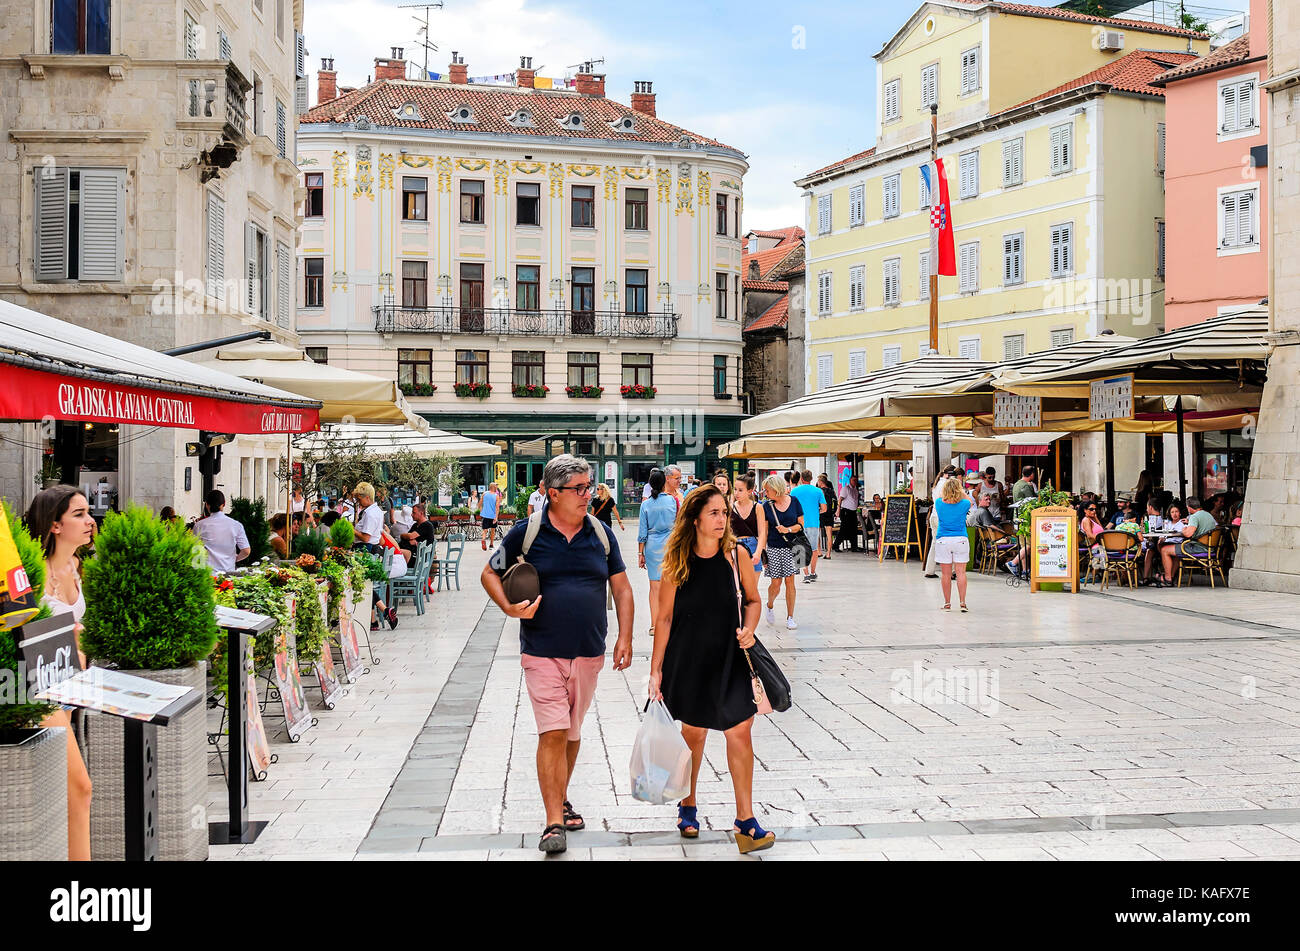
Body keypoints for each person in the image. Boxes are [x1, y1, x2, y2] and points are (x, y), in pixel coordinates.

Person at [481, 455, 633, 854]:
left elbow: (622, 588)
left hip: (588, 651)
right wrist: (507, 607)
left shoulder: (600, 533)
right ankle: (553, 822)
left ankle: (560, 799)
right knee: (551, 731)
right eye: (579, 489)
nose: (589, 495)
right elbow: (489, 572)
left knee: (571, 732)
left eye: (590, 486)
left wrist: (626, 638)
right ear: (553, 493)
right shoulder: (526, 533)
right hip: (541, 650)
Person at [647, 485, 773, 854]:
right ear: (696, 518)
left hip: (731, 657)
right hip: (688, 659)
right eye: (715, 513)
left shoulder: (736, 555)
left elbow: (752, 600)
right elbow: (665, 619)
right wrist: (656, 669)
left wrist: (750, 628)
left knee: (740, 730)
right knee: (694, 735)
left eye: (725, 511)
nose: (723, 519)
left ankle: (745, 821)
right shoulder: (678, 559)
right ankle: (688, 804)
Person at [24, 485, 96, 861]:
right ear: (54, 524)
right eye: (79, 514)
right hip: (41, 691)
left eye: (88, 512)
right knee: (80, 787)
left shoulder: (75, 566)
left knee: (65, 790)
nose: (90, 521)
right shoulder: (33, 573)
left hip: (72, 688)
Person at [638, 468, 679, 641]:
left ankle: (654, 624)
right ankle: (671, 620)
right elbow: (679, 524)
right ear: (664, 484)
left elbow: (642, 531)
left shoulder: (645, 504)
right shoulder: (672, 501)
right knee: (672, 584)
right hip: (670, 545)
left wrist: (640, 553)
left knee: (654, 588)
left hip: (652, 547)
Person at [760, 474, 804, 630]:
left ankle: (790, 617)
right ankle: (770, 604)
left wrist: (788, 529)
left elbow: (800, 525)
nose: (765, 493)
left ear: (776, 489)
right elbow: (764, 531)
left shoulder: (794, 502)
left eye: (767, 490)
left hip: (792, 547)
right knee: (776, 583)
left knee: (790, 582)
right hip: (774, 547)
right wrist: (762, 552)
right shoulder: (766, 506)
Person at [933, 477, 973, 612]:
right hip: (960, 539)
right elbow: (970, 500)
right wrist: (960, 491)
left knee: (946, 574)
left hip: (943, 539)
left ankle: (947, 603)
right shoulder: (964, 504)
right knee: (961, 572)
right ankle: (962, 602)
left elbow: (939, 496)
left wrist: (946, 490)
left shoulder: (939, 503)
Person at [1159, 496, 1218, 584]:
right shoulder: (1208, 515)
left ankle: (1167, 578)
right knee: (1174, 549)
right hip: (1210, 548)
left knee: (1164, 550)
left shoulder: (1194, 517)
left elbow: (1188, 534)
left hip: (1197, 548)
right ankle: (1172, 576)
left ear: (1188, 507)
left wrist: (1184, 529)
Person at [194, 490, 250, 573]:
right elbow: (246, 551)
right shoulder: (236, 525)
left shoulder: (199, 525)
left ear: (207, 505)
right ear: (224, 504)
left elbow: (195, 551)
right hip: (228, 573)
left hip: (207, 574)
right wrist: (233, 559)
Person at [790, 469, 826, 583]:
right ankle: (812, 572)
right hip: (813, 523)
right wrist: (816, 511)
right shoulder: (818, 491)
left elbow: (790, 507)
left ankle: (805, 574)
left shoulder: (794, 491)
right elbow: (824, 508)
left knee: (800, 547)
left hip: (798, 524)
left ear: (801, 478)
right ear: (811, 479)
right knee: (814, 549)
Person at [923, 465, 959, 578]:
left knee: (935, 543)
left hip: (934, 516)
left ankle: (929, 570)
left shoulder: (937, 484)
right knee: (950, 543)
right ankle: (951, 572)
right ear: (949, 475)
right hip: (944, 517)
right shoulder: (946, 484)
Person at [730, 472, 767, 576]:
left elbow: (762, 532)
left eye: (740, 490)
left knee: (752, 588)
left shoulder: (757, 507)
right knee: (737, 587)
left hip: (753, 546)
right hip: (735, 545)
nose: (736, 493)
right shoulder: (730, 507)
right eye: (735, 489)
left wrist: (759, 552)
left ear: (750, 491)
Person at [352, 482, 383, 554]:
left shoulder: (370, 514)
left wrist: (352, 529)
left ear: (367, 498)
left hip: (366, 549)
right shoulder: (376, 510)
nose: (358, 502)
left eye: (359, 499)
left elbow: (365, 538)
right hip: (371, 548)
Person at [834, 473, 860, 552]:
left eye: (856, 480)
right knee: (843, 529)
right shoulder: (846, 489)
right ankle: (836, 545)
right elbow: (840, 499)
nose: (855, 482)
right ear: (850, 480)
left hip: (853, 512)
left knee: (854, 529)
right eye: (853, 480)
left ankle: (854, 546)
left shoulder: (855, 489)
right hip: (846, 511)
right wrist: (838, 509)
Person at [816, 473, 837, 559]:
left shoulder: (819, 491)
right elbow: (835, 502)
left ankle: (819, 551)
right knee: (829, 534)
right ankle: (828, 554)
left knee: (818, 533)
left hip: (821, 513)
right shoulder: (832, 491)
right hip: (829, 514)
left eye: (818, 481)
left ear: (821, 482)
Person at [479, 482, 501, 552]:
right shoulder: (496, 496)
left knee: (485, 530)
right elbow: (497, 508)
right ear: (494, 487)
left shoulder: (484, 493)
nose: (497, 488)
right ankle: (491, 544)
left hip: (485, 515)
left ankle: (483, 539)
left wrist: (481, 511)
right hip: (492, 516)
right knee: (493, 531)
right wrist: (496, 517)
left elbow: (480, 503)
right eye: (496, 487)